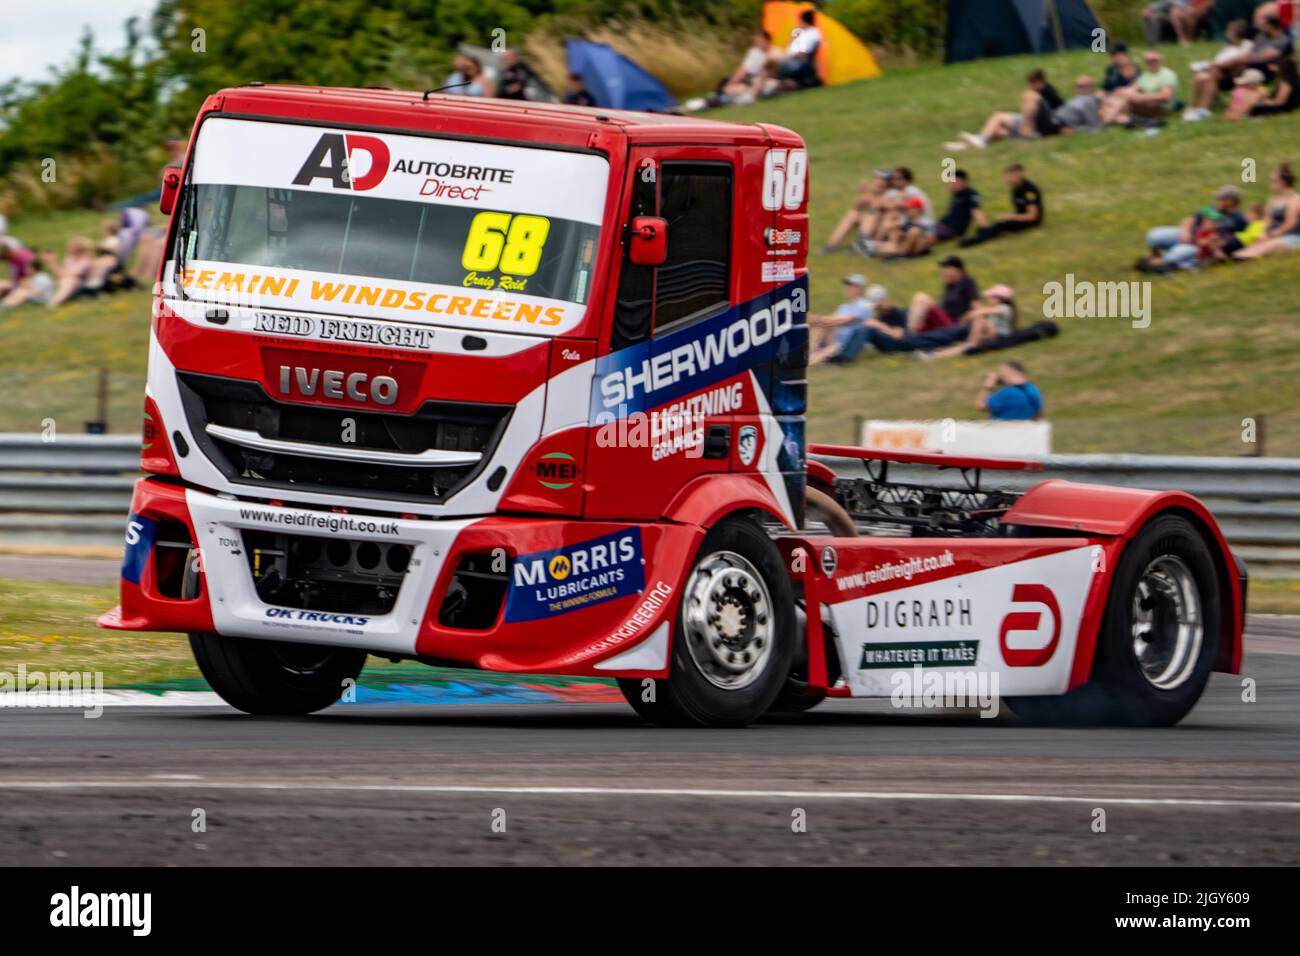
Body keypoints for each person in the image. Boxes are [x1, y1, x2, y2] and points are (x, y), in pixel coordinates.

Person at [1187, 7, 1293, 117]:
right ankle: (1200, 108)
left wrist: (1249, 57)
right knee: (1212, 74)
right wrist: (1248, 56)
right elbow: (1251, 52)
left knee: (1232, 63)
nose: (1260, 26)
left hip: (1262, 71)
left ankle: (1204, 107)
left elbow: (1265, 56)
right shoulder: (1262, 36)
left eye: (1264, 24)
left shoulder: (1282, 40)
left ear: (1272, 26)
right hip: (1242, 68)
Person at [1136, 185, 1245, 272]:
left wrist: (1216, 246)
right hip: (1186, 236)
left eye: (1221, 198)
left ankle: (1158, 263)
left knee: (1177, 255)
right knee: (1153, 235)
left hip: (1200, 246)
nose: (1217, 200)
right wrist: (1185, 231)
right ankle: (1154, 254)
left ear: (1231, 201)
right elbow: (1189, 219)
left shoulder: (1238, 219)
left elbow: (1236, 240)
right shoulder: (1212, 209)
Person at [952, 69, 1064, 150]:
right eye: (1029, 82)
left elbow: (1058, 114)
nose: (1031, 85)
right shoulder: (1039, 93)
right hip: (1030, 126)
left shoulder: (1049, 94)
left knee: (1000, 116)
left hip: (1035, 128)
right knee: (998, 129)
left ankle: (980, 140)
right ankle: (972, 144)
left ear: (1041, 82)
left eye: (1033, 82)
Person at [959, 164, 1043, 247]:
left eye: (1009, 176)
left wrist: (1011, 217)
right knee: (1000, 224)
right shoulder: (1016, 189)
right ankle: (983, 233)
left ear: (1017, 175)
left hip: (1030, 222)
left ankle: (974, 241)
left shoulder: (1029, 191)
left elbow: (1032, 216)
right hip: (1021, 218)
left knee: (1001, 225)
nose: (1007, 179)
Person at [925, 285, 1018, 358]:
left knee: (979, 318)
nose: (988, 299)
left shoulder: (1005, 308)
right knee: (961, 347)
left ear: (999, 299)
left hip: (1000, 336)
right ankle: (934, 355)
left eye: (990, 297)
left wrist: (966, 317)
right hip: (991, 336)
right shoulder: (994, 310)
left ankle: (971, 344)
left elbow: (980, 312)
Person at [807, 274, 882, 364]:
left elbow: (844, 321)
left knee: (823, 324)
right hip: (834, 336)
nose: (848, 288)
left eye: (851, 285)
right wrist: (815, 319)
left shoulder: (864, 305)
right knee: (819, 326)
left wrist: (819, 319)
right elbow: (830, 318)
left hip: (847, 340)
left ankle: (813, 357)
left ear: (860, 288)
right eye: (847, 285)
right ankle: (810, 353)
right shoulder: (844, 306)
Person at [1234, 162, 1300, 259]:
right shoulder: (1272, 200)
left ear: (1283, 182)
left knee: (1269, 246)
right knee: (1255, 245)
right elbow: (1267, 221)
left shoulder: (1295, 199)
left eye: (1273, 180)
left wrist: (1273, 234)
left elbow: (1290, 223)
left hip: (1292, 236)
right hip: (1272, 235)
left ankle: (1241, 258)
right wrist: (1263, 234)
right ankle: (1236, 257)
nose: (1270, 183)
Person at [1101, 49, 1179, 126]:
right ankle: (1127, 120)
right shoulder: (1146, 76)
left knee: (1119, 102)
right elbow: (1133, 88)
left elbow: (1165, 97)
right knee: (1110, 100)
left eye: (1154, 60)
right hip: (1143, 104)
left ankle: (1106, 121)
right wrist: (1121, 91)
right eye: (1148, 61)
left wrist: (1141, 97)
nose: (1151, 63)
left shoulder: (1166, 74)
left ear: (1161, 60)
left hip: (1159, 106)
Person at [907, 255, 980, 333]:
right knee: (920, 303)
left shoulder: (967, 282)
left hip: (954, 326)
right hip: (944, 321)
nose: (943, 272)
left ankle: (910, 334)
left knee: (921, 298)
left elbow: (977, 308)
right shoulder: (950, 285)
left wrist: (967, 317)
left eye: (946, 269)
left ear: (955, 270)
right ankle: (911, 333)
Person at [927, 170, 988, 245]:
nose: (950, 185)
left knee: (926, 236)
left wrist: (984, 229)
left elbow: (977, 211)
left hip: (951, 229)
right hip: (942, 225)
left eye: (952, 182)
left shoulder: (970, 194)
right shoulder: (957, 194)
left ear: (962, 182)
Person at [978, 361, 1043, 421]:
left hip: (1003, 430)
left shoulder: (1008, 392)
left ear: (1013, 372)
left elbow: (981, 405)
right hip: (1025, 429)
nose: (1001, 377)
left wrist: (988, 387)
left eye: (1003, 373)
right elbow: (1038, 415)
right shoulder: (1032, 389)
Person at [778, 9, 822, 89]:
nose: (798, 23)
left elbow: (803, 54)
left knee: (770, 63)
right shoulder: (802, 33)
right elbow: (789, 46)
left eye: (799, 21)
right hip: (789, 58)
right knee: (769, 63)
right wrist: (794, 35)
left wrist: (787, 56)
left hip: (797, 62)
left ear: (804, 21)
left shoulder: (813, 33)